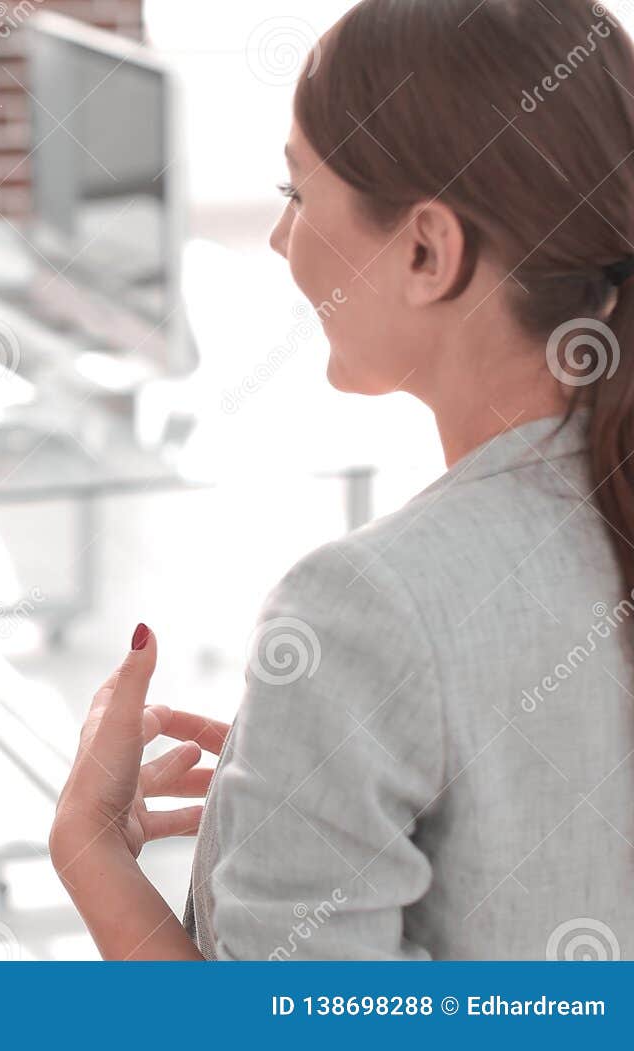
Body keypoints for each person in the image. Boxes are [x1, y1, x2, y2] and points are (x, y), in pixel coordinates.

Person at [51, 0, 634, 960]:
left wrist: (90, 851)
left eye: (296, 194)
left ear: (425, 251)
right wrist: (335, 754)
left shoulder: (364, 607)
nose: (282, 243)